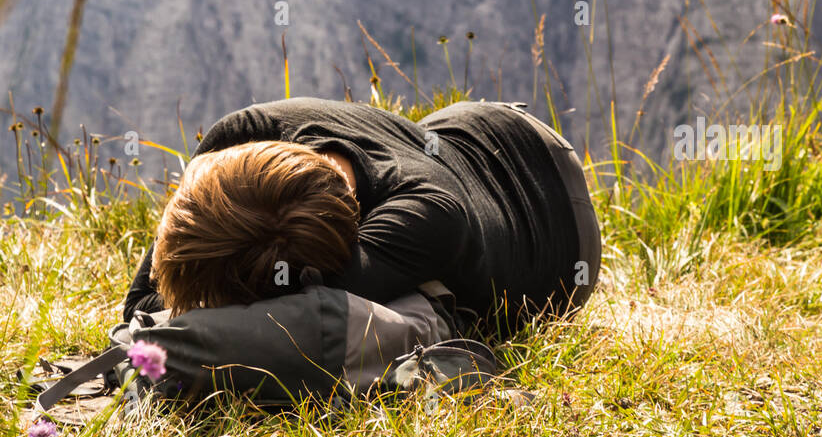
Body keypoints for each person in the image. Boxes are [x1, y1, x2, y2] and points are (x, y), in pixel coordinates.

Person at [123, 97, 602, 335]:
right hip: (452, 130)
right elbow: (140, 304)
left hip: (556, 213)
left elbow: (284, 319)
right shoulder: (245, 132)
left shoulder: (430, 214)